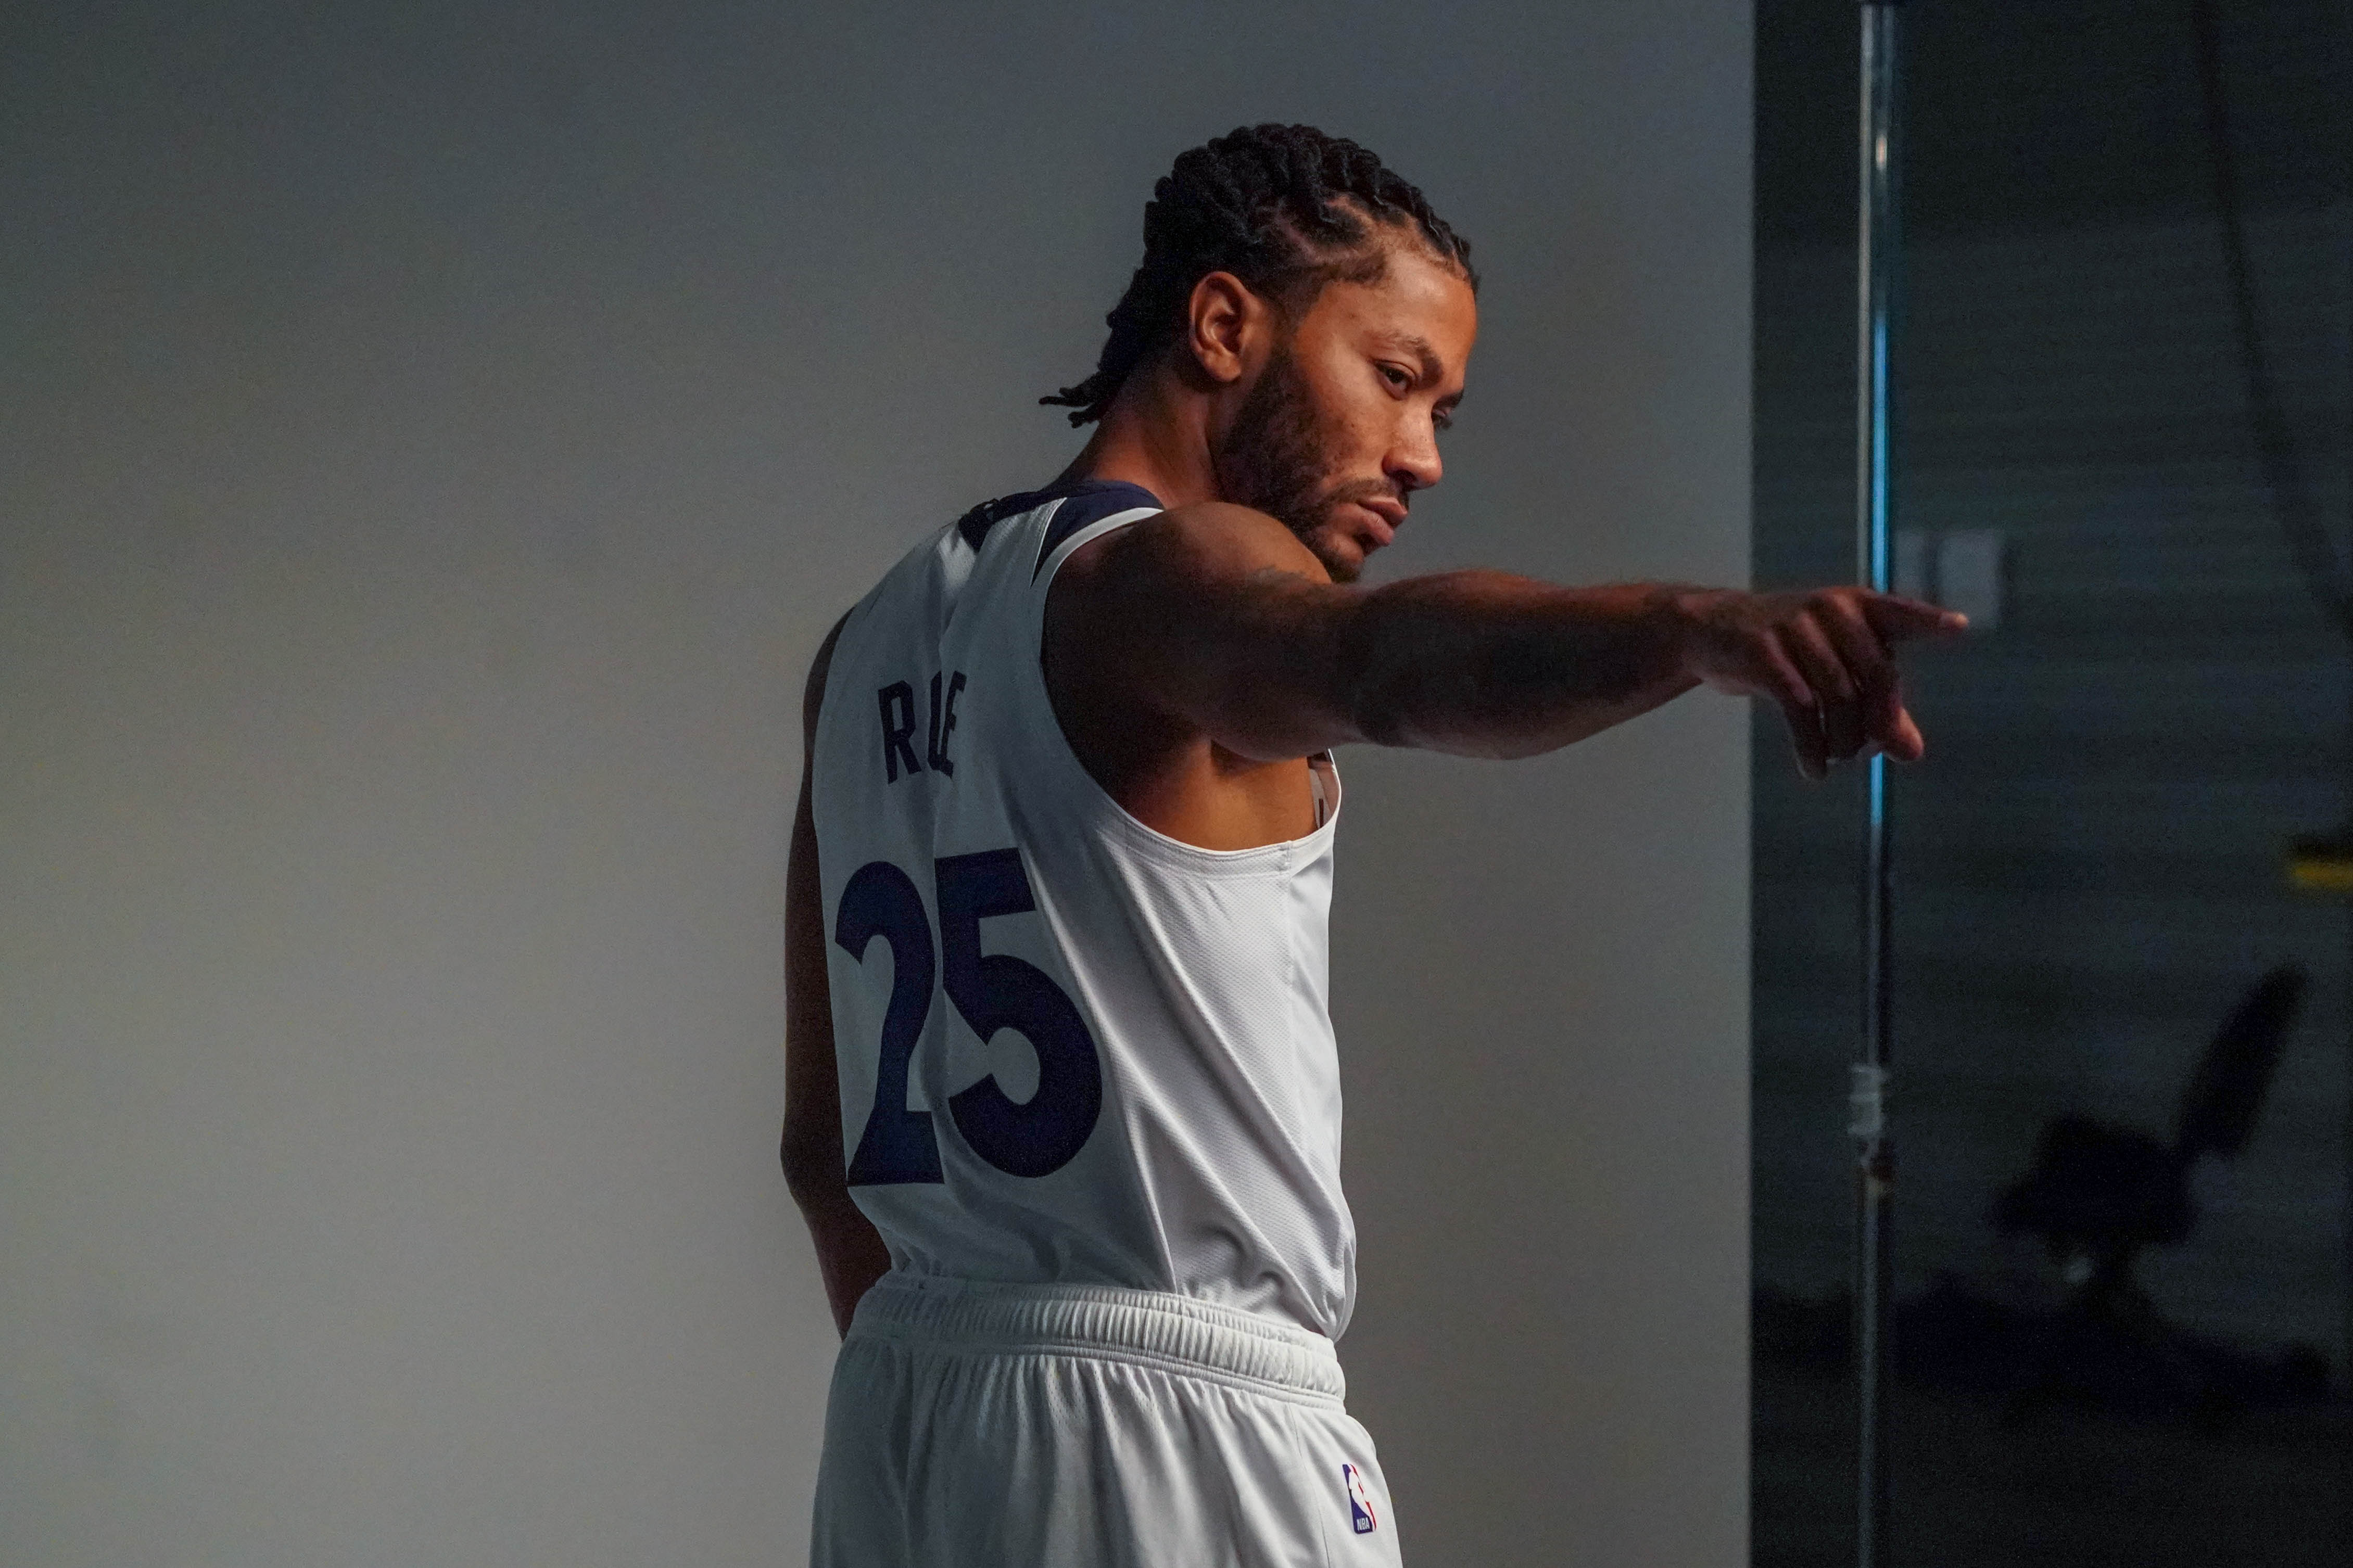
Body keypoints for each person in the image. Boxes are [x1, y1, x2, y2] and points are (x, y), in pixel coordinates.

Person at [781, 122, 1962, 1566]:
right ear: (1224, 326)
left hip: (903, 1413)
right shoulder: (1165, 578)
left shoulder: (867, 648)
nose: (1421, 457)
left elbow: (819, 1152)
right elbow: (1378, 665)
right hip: (1179, 1420)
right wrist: (1693, 628)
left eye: (1442, 413)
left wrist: (981, 1412)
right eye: (1396, 379)